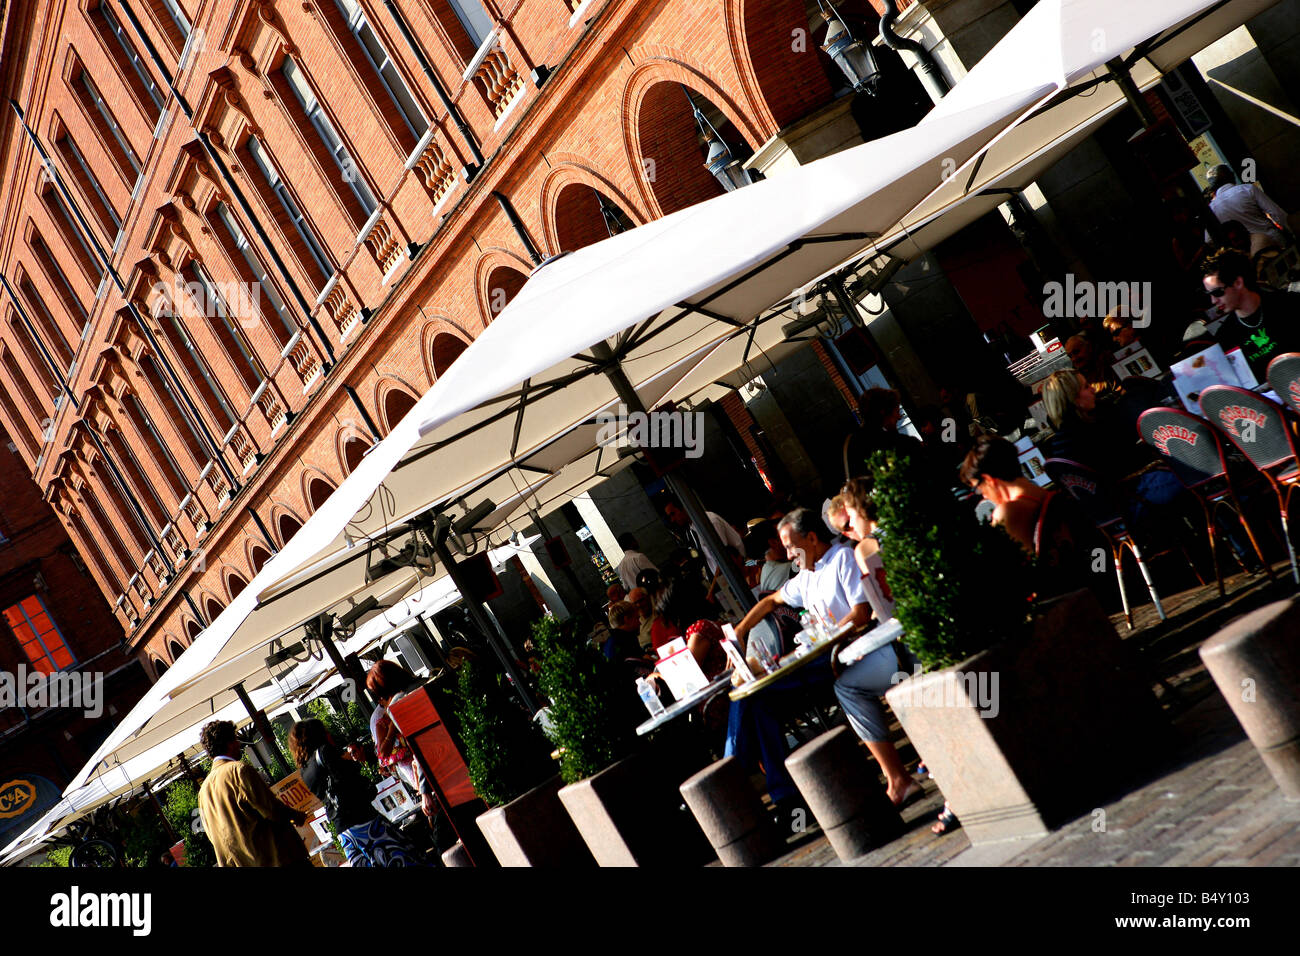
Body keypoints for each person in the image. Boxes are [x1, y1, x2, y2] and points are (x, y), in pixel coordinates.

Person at [734, 507, 920, 806]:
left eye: (790, 545)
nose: (788, 553)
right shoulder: (807, 575)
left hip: (850, 653)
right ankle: (773, 789)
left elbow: (860, 614)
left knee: (765, 697)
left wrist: (826, 636)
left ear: (811, 537)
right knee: (754, 701)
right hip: (826, 657)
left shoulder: (841, 559)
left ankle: (737, 770)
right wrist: (741, 631)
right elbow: (771, 600)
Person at [289, 718, 424, 866]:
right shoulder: (324, 752)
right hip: (363, 820)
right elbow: (348, 780)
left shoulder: (304, 771)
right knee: (403, 858)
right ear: (318, 734)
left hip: (343, 831)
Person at [196, 720, 311, 867]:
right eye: (236, 739)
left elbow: (212, 836)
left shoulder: (203, 792)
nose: (239, 744)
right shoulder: (239, 770)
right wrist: (296, 815)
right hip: (276, 858)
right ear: (229, 743)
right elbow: (271, 809)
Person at [1201, 247, 1300, 380]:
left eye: (1217, 292)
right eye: (1209, 294)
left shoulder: (1288, 304)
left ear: (1238, 283)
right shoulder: (1226, 337)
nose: (1213, 301)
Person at [366, 661, 438, 822]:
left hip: (437, 770)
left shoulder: (398, 704)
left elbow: (419, 746)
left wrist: (425, 791)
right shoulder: (424, 682)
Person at [1206, 164, 1291, 257]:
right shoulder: (1247, 189)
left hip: (1248, 255)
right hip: (1273, 241)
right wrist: (1292, 232)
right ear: (1231, 176)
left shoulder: (1212, 209)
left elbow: (1208, 240)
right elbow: (1277, 214)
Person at [841, 387, 923, 480]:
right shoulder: (902, 443)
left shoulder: (850, 442)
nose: (899, 417)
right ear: (883, 412)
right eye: (896, 411)